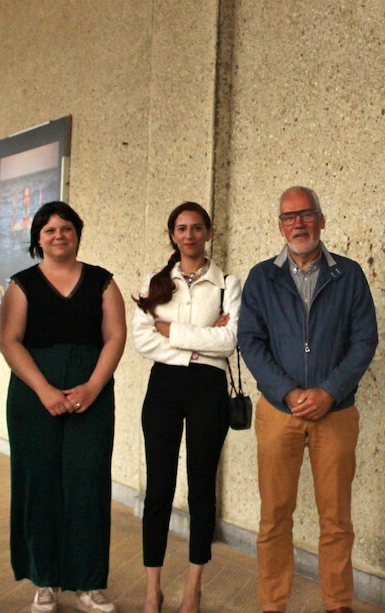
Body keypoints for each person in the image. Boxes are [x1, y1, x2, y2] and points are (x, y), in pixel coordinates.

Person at [238, 186, 378, 613]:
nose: (298, 224)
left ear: (322, 219)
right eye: (289, 217)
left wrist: (328, 391)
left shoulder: (349, 274)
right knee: (274, 518)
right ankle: (272, 604)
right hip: (278, 413)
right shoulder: (263, 277)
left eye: (306, 214)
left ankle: (338, 603)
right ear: (280, 226)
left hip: (335, 413)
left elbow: (364, 341)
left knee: (336, 520)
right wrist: (287, 392)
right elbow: (250, 341)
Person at [0, 201, 126, 613]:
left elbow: (115, 336)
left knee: (87, 484)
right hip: (35, 396)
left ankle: (88, 583)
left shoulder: (102, 281)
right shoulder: (21, 284)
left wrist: (92, 386)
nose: (58, 235)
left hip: (91, 393)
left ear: (77, 234)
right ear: (38, 238)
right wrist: (43, 389)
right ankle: (45, 581)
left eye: (66, 228)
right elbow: (10, 341)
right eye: (49, 229)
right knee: (39, 485)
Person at [131, 202, 241, 613]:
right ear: (172, 235)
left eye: (197, 227)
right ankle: (151, 588)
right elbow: (143, 340)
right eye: (181, 228)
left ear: (209, 232)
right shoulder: (156, 282)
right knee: (158, 489)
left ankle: (193, 587)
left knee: (200, 487)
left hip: (208, 390)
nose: (189, 234)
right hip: (163, 386)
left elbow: (229, 341)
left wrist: (172, 331)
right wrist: (199, 339)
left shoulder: (228, 283)